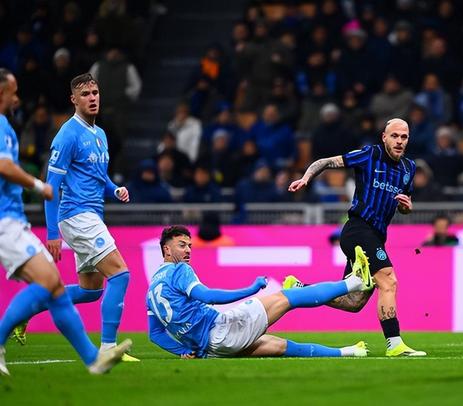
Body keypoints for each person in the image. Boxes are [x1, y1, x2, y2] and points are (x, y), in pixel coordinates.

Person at [0, 68, 130, 375]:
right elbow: (52, 186)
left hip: (91, 214)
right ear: (73, 100)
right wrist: (52, 232)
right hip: (77, 215)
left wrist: (114, 189)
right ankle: (107, 348)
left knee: (90, 290)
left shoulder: (99, 134)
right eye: (85, 94)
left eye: (95, 92)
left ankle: (25, 315)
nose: (92, 98)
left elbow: (98, 176)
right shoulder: (68, 135)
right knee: (121, 274)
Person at [286, 118, 426, 357]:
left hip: (377, 236)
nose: (399, 141)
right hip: (358, 229)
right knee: (388, 281)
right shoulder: (369, 155)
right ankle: (394, 344)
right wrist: (306, 178)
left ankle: (299, 289)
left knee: (353, 302)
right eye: (394, 136)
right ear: (384, 137)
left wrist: (406, 207)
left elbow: (403, 205)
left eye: (404, 137)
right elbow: (325, 162)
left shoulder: (408, 168)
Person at [148, 226, 371, 358]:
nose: (188, 250)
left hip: (213, 348)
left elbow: (155, 334)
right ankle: (356, 282)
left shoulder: (150, 292)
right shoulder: (179, 270)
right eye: (181, 245)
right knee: (288, 297)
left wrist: (182, 350)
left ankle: (350, 351)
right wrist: (251, 289)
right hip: (222, 329)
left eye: (189, 245)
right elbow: (208, 297)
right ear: (166, 249)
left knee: (280, 346)